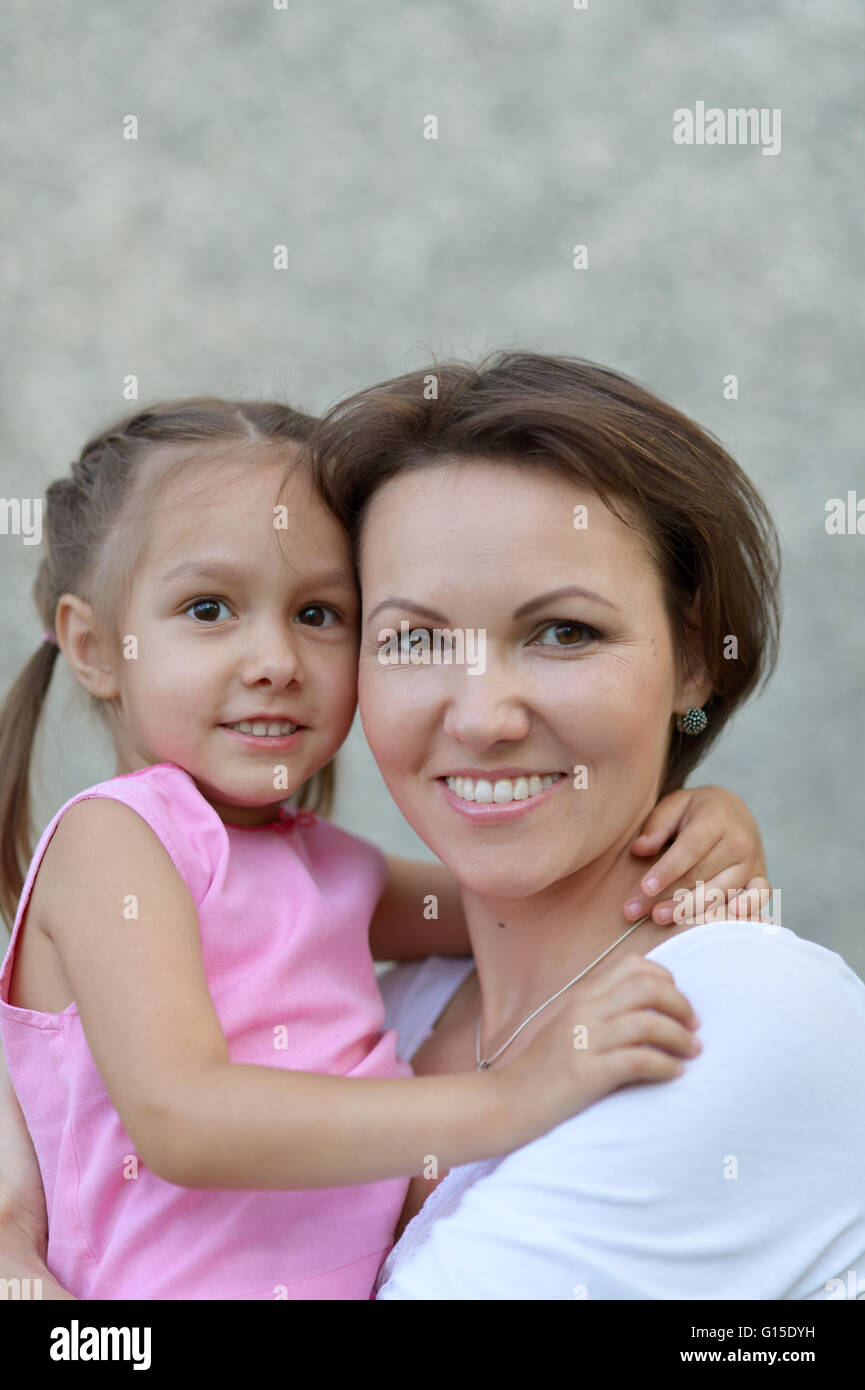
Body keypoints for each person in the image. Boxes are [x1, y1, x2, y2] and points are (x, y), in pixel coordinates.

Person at [0, 397, 766, 1301]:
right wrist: (513, 1099)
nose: (275, 660)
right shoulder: (117, 840)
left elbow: (534, 898)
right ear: (94, 647)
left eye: (320, 613)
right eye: (209, 608)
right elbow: (183, 1119)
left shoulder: (331, 867)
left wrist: (703, 823)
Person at [302, 351, 865, 1299]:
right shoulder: (387, 1010)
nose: (483, 717)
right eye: (416, 639)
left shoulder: (734, 1015)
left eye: (564, 632)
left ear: (694, 660)